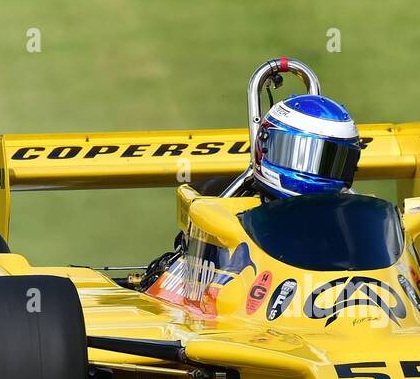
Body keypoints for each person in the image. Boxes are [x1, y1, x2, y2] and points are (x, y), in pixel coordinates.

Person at [134, 93, 362, 290]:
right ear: (265, 145)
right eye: (301, 154)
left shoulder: (357, 222)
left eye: (330, 160)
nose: (312, 171)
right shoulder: (233, 214)